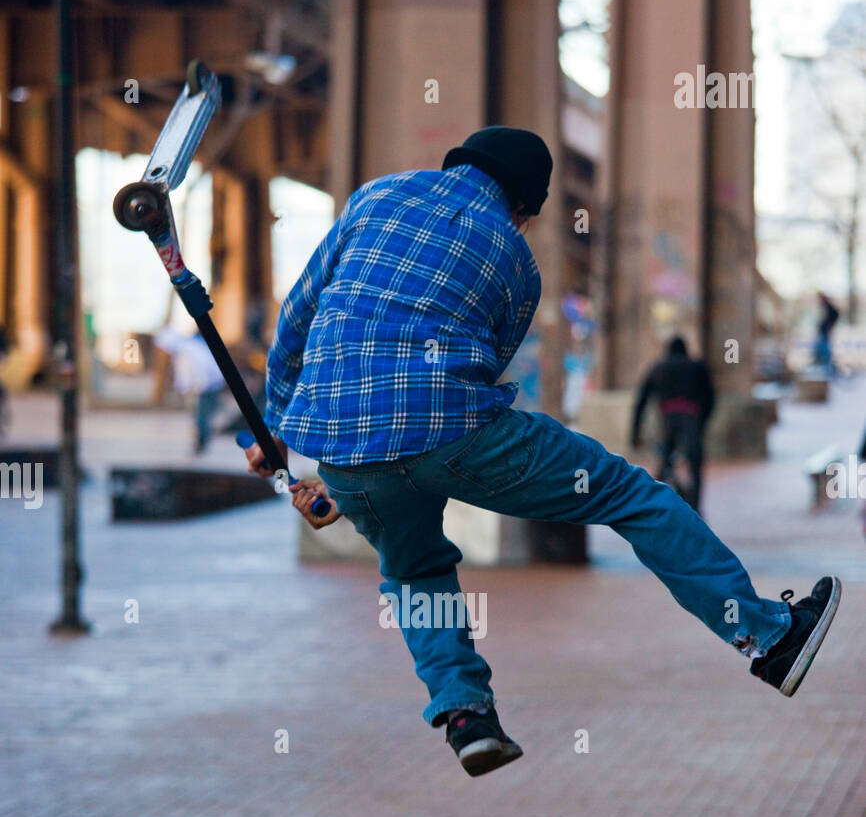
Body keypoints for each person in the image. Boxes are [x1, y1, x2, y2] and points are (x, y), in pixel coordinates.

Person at [245, 126, 841, 777]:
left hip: (342, 455)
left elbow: (299, 316)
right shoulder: (516, 260)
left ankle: (466, 713)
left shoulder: (373, 197)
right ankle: (768, 636)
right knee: (632, 496)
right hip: (457, 434)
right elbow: (491, 368)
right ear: (525, 209)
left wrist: (272, 428)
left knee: (415, 570)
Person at [630, 335, 714, 513]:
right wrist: (702, 422)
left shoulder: (659, 367)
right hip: (691, 418)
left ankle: (661, 503)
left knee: (666, 460)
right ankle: (695, 505)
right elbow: (710, 397)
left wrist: (635, 433)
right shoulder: (697, 367)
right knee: (695, 463)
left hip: (668, 418)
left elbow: (641, 401)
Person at [814, 292, 839, 373]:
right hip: (823, 331)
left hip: (825, 331)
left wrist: (830, 326)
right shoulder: (824, 305)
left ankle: (828, 368)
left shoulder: (828, 306)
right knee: (821, 348)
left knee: (825, 349)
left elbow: (835, 314)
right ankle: (825, 366)